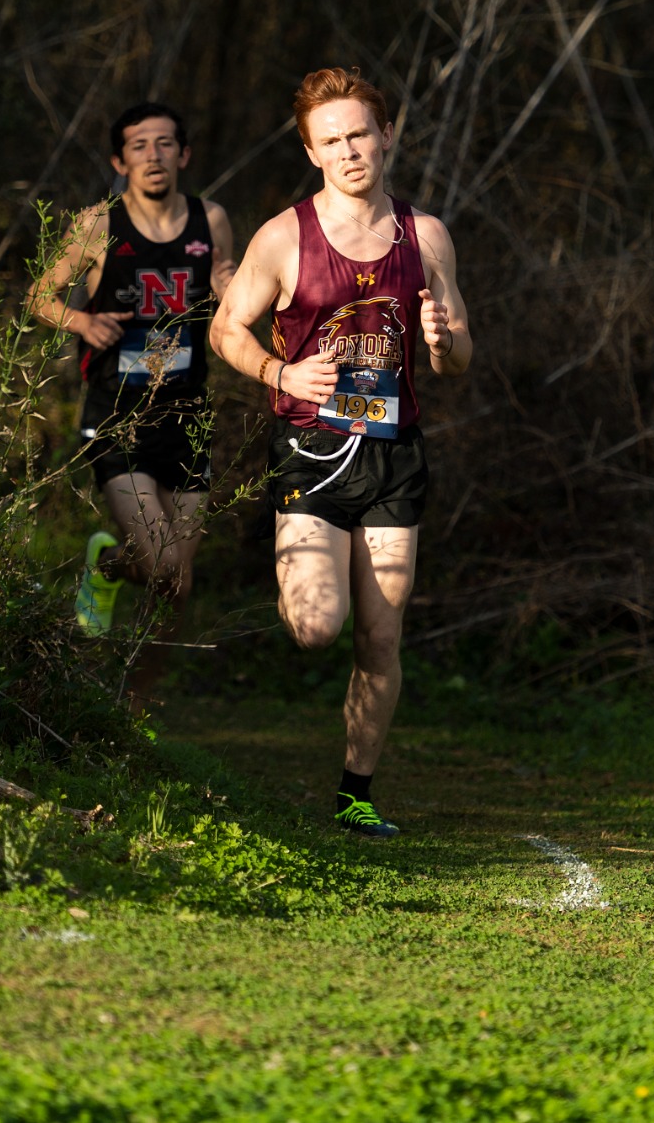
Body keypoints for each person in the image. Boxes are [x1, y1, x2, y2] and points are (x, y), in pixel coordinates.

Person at [209, 68, 472, 838]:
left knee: (380, 637)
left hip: (393, 452)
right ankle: (292, 570)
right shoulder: (285, 236)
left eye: (360, 133)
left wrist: (445, 341)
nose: (350, 150)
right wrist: (278, 369)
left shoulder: (426, 236)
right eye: (332, 140)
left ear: (386, 135)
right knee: (318, 625)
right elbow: (227, 328)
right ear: (311, 151)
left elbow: (459, 356)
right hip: (311, 449)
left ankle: (355, 793)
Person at [28, 102, 235, 651]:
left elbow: (224, 298)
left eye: (165, 143)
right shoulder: (99, 222)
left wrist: (227, 289)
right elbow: (37, 297)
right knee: (164, 566)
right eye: (139, 146)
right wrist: (82, 320)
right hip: (117, 414)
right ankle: (109, 564)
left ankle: (141, 709)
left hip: (187, 412)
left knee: (176, 584)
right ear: (120, 161)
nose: (153, 155)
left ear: (183, 154)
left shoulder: (209, 219)